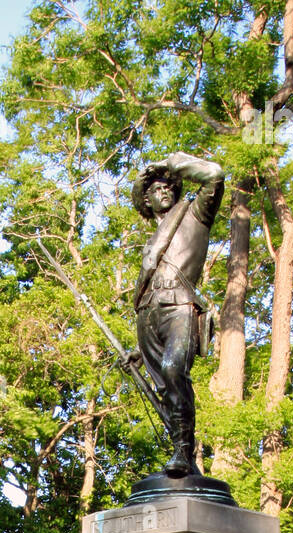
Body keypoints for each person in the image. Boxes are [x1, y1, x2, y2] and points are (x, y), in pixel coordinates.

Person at [125, 151, 224, 477]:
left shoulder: (194, 214)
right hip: (148, 316)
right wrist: (139, 350)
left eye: (169, 185)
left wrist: (174, 163)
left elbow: (215, 174)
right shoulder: (151, 241)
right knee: (166, 388)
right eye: (155, 187)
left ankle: (184, 450)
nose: (164, 190)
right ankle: (180, 453)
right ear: (146, 200)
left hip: (181, 307)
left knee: (173, 370)